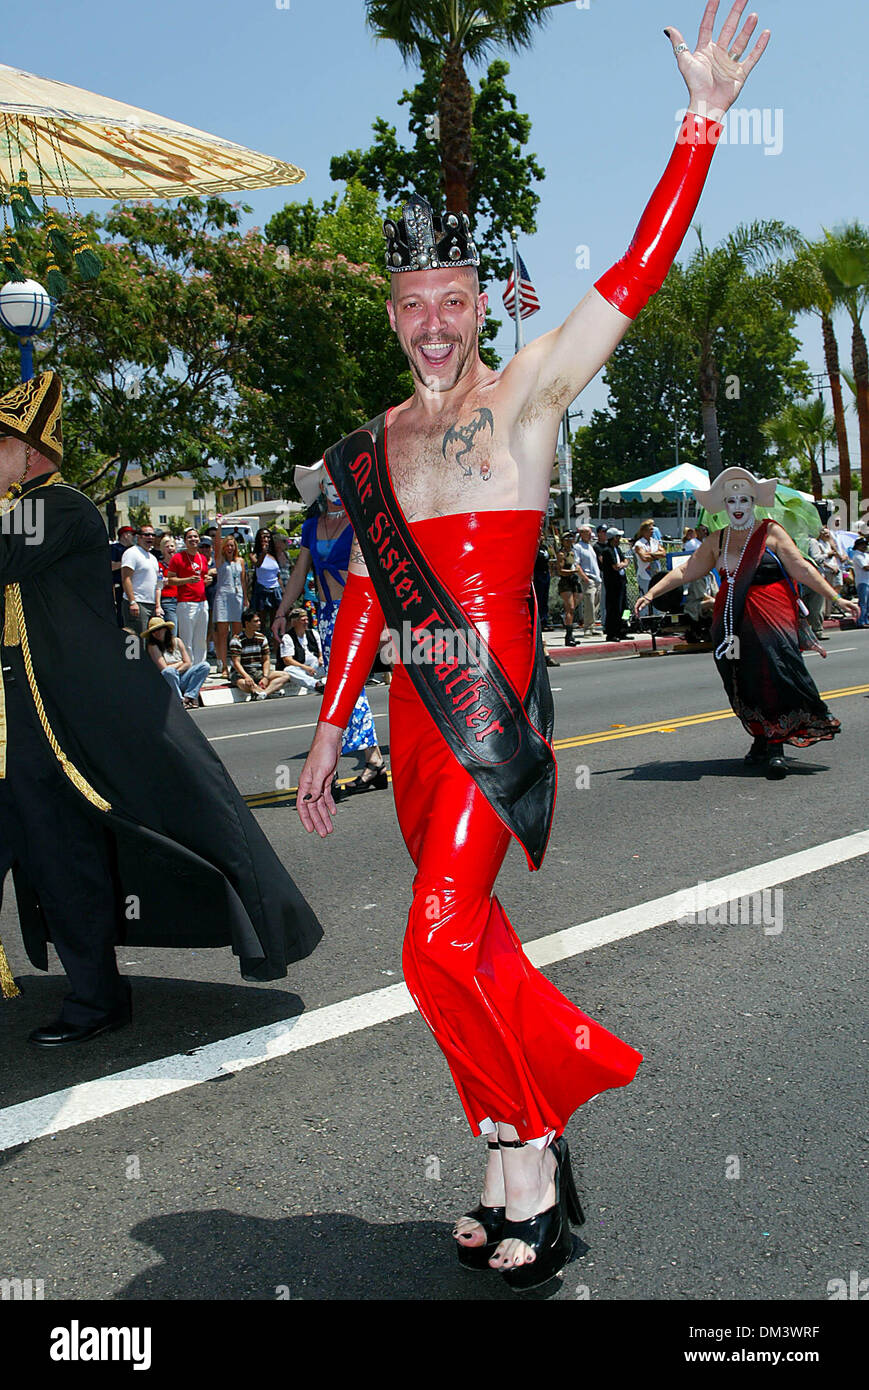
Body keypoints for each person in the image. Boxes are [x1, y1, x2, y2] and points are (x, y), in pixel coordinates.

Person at [295, 0, 771, 1288]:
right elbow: (364, 597)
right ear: (392, 312)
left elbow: (635, 267)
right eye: (411, 302)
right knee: (473, 942)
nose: (434, 320)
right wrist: (332, 721)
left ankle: (537, 1150)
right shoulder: (373, 442)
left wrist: (703, 121)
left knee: (434, 941)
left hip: (490, 701)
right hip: (408, 723)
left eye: (452, 297)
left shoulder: (530, 396)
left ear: (473, 301)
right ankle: (506, 1155)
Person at [0, 371, 321, 1041]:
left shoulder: (54, 506)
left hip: (53, 730)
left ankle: (96, 1000)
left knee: (63, 860)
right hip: (13, 723)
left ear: (30, 451)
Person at [636, 466, 860, 777]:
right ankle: (760, 737)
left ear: (753, 502)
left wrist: (837, 598)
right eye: (732, 501)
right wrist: (651, 593)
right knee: (743, 679)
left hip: (773, 618)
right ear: (724, 506)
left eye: (744, 500)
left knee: (776, 674)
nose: (738, 507)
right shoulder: (718, 540)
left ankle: (775, 744)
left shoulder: (770, 531)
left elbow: (802, 569)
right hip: (732, 622)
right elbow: (686, 570)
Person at [272, 471, 388, 792]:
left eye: (338, 480)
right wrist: (282, 611)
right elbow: (299, 574)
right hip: (325, 616)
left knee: (345, 687)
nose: (333, 486)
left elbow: (376, 570)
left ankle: (359, 762)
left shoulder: (358, 523)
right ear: (320, 488)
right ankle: (371, 760)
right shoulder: (311, 526)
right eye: (327, 481)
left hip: (355, 614)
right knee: (342, 688)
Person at [144, 615, 210, 709]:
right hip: (167, 680)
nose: (156, 633)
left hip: (181, 676)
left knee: (205, 666)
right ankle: (180, 700)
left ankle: (190, 696)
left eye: (158, 629)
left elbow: (188, 662)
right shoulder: (153, 646)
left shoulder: (177, 641)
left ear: (165, 629)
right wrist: (180, 663)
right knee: (169, 672)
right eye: (153, 631)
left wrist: (176, 669)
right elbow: (164, 668)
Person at [168, 528, 210, 666]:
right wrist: (186, 580)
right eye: (190, 537)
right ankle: (188, 667)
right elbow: (171, 580)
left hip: (202, 602)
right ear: (185, 541)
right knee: (187, 640)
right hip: (186, 603)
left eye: (195, 537)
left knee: (200, 639)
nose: (193, 539)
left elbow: (201, 579)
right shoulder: (178, 558)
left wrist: (207, 581)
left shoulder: (202, 557)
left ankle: (200, 668)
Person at [212, 530, 247, 677]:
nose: (230, 548)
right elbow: (216, 544)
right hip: (223, 597)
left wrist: (246, 598)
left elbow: (244, 580)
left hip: (237, 596)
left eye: (232, 545)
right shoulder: (219, 560)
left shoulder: (240, 561)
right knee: (222, 633)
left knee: (237, 634)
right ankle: (224, 665)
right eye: (228, 545)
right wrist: (219, 527)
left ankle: (236, 664)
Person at [120, 524, 164, 635]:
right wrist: (132, 602)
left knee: (149, 643)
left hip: (151, 604)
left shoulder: (152, 558)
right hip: (137, 604)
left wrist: (157, 606)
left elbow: (156, 583)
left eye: (153, 535)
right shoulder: (131, 553)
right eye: (146, 535)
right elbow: (126, 578)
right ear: (138, 537)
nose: (150, 537)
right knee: (136, 642)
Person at [280, 606, 327, 694]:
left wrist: (321, 657)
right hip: (301, 668)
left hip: (315, 666)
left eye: (307, 620)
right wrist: (305, 667)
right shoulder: (288, 637)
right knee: (288, 670)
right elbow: (287, 660)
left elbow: (321, 650)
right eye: (303, 620)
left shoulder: (313, 633)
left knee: (328, 662)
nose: (306, 622)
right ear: (294, 622)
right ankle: (316, 684)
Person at [251, 527, 283, 646]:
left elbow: (277, 575)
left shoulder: (274, 555)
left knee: (275, 620)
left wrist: (283, 591)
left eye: (268, 537)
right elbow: (257, 564)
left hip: (275, 589)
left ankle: (275, 645)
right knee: (262, 621)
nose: (266, 539)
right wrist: (263, 552)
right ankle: (263, 646)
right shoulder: (254, 554)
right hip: (262, 589)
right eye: (263, 537)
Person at [572, 523, 603, 635]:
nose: (591, 535)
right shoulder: (578, 547)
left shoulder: (590, 546)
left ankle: (592, 626)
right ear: (581, 534)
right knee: (589, 602)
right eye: (588, 533)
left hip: (597, 579)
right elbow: (577, 564)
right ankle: (587, 628)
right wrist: (585, 578)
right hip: (588, 579)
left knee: (595, 604)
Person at [601, 527, 630, 642]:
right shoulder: (607, 550)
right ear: (612, 538)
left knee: (625, 608)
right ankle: (612, 632)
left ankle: (623, 629)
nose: (619, 539)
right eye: (617, 537)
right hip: (613, 584)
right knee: (614, 609)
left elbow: (626, 561)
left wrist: (623, 563)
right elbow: (615, 566)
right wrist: (623, 564)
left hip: (621, 581)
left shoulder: (617, 549)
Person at [555, 535, 580, 645]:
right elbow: (560, 571)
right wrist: (573, 572)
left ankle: (571, 633)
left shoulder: (573, 552)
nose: (570, 541)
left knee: (573, 607)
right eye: (567, 539)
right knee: (570, 607)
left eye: (571, 539)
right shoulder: (561, 554)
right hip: (565, 582)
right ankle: (568, 635)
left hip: (574, 581)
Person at [109, 523, 135, 626]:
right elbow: (111, 565)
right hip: (118, 585)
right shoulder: (114, 548)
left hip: (131, 585)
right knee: (120, 611)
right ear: (125, 535)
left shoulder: (132, 549)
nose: (133, 537)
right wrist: (126, 564)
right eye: (131, 534)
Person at [157, 533, 179, 631]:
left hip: (182, 601)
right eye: (167, 547)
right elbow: (158, 585)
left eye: (172, 546)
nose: (170, 548)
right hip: (167, 601)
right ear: (162, 549)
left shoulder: (180, 564)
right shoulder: (159, 565)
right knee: (172, 631)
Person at [848, 536, 869, 627]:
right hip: (862, 582)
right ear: (857, 546)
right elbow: (865, 567)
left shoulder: (866, 555)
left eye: (865, 544)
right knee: (863, 603)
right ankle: (860, 621)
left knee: (868, 603)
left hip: (868, 580)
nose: (864, 546)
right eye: (862, 545)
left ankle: (866, 620)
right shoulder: (857, 556)